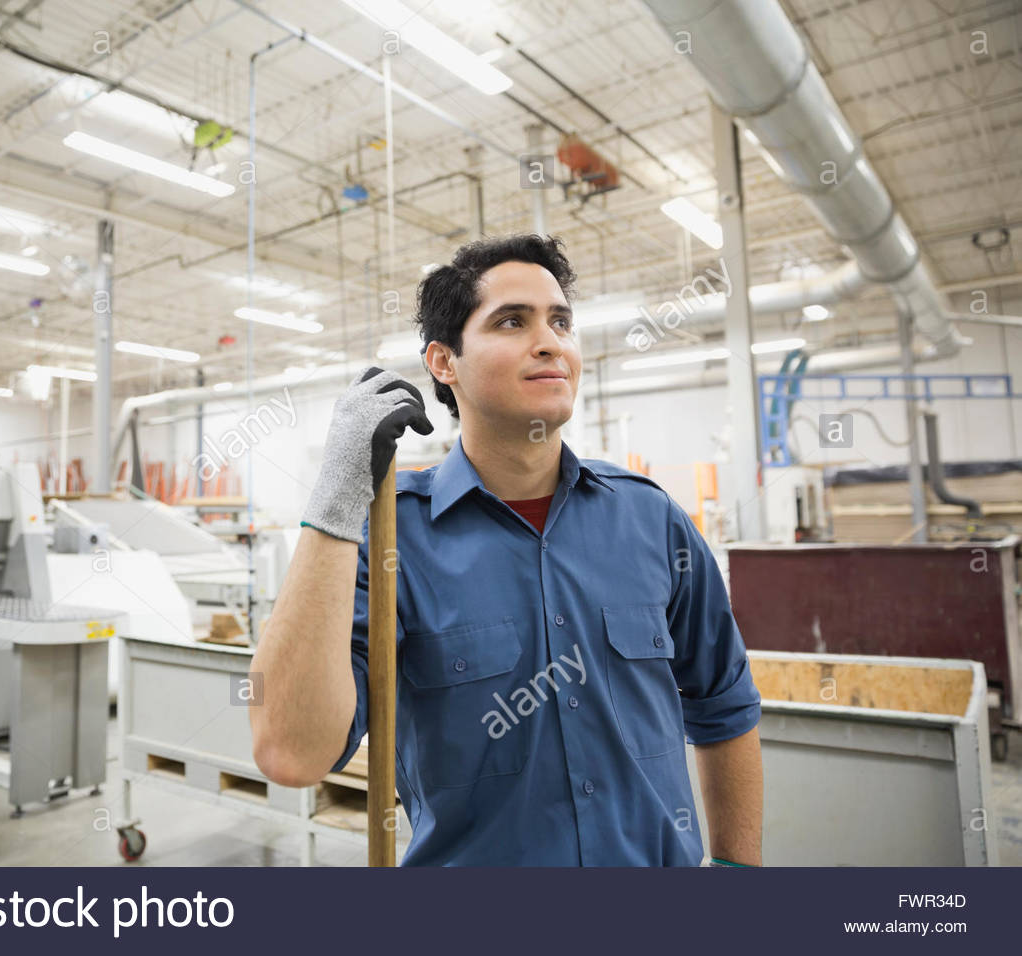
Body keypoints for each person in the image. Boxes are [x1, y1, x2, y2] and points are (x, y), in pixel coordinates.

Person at [250, 234, 762, 866]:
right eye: (512, 322)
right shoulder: (390, 542)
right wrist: (337, 496)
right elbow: (291, 754)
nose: (551, 342)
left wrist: (737, 871)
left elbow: (724, 704)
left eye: (561, 321)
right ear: (444, 361)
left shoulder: (651, 519)